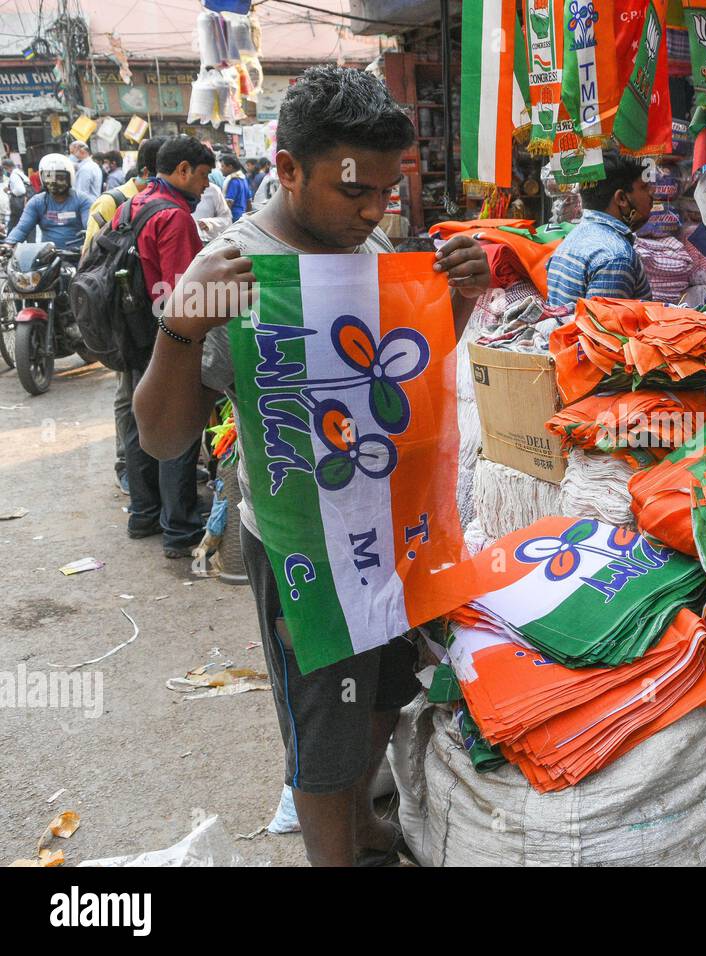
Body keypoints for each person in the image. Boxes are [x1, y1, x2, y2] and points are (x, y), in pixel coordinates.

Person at [132, 65, 490, 867]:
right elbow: (161, 440)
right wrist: (180, 328)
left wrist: (456, 299)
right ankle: (337, 853)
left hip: (391, 528)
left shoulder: (367, 242)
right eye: (353, 189)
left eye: (387, 192)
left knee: (384, 696)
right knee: (325, 729)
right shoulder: (237, 270)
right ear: (287, 169)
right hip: (305, 552)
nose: (373, 211)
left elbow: (399, 373)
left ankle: (366, 831)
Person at [115, 135, 216, 560]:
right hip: (165, 335)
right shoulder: (174, 217)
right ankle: (179, 527)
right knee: (177, 426)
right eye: (204, 176)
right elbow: (182, 292)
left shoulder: (132, 204)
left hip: (131, 331)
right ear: (183, 170)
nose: (207, 186)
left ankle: (144, 513)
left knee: (143, 421)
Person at [80, 135, 167, 496]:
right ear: (149, 171)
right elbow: (92, 260)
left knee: (150, 390)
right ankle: (125, 463)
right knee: (126, 394)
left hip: (149, 311)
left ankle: (153, 465)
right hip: (122, 312)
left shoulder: (165, 201)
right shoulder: (112, 202)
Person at [545, 151, 653, 307]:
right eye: (643, 187)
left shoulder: (573, 237)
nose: (651, 193)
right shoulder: (616, 257)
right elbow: (604, 328)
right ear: (621, 198)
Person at [3, 154, 91, 250]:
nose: (54, 182)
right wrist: (8, 245)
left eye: (60, 177)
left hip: (79, 257)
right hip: (48, 257)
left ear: (70, 177)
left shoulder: (82, 200)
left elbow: (90, 227)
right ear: (42, 178)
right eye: (49, 177)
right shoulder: (37, 202)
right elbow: (22, 229)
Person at [193, 176, 232, 242]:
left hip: (205, 243)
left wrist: (209, 223)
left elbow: (227, 220)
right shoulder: (174, 190)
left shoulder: (213, 190)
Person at [218, 152, 251, 222]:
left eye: (223, 166)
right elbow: (249, 201)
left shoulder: (233, 181)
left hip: (233, 218)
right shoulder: (243, 178)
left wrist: (222, 220)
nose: (221, 169)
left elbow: (229, 202)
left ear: (230, 167)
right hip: (242, 216)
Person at [3, 158, 28, 229]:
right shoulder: (19, 172)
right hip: (25, 200)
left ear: (7, 167)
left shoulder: (14, 175)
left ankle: (9, 238)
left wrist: (9, 192)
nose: (5, 170)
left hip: (19, 202)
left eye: (5, 168)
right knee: (27, 221)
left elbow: (20, 190)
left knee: (13, 221)